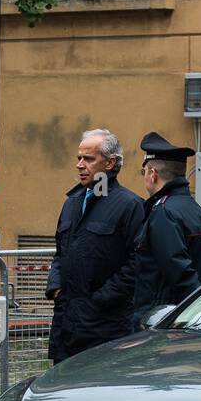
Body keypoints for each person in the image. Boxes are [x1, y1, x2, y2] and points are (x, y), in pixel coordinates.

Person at [45, 128, 145, 362]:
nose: (80, 164)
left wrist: (99, 300)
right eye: (79, 158)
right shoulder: (72, 203)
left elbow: (137, 264)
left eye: (88, 159)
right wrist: (56, 286)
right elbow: (61, 252)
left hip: (105, 327)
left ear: (110, 163)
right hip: (67, 322)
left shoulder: (130, 206)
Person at [132, 132, 201, 319]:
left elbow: (179, 272)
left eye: (144, 172)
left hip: (164, 319)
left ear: (152, 174)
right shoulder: (198, 212)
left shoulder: (163, 213)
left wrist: (197, 309)